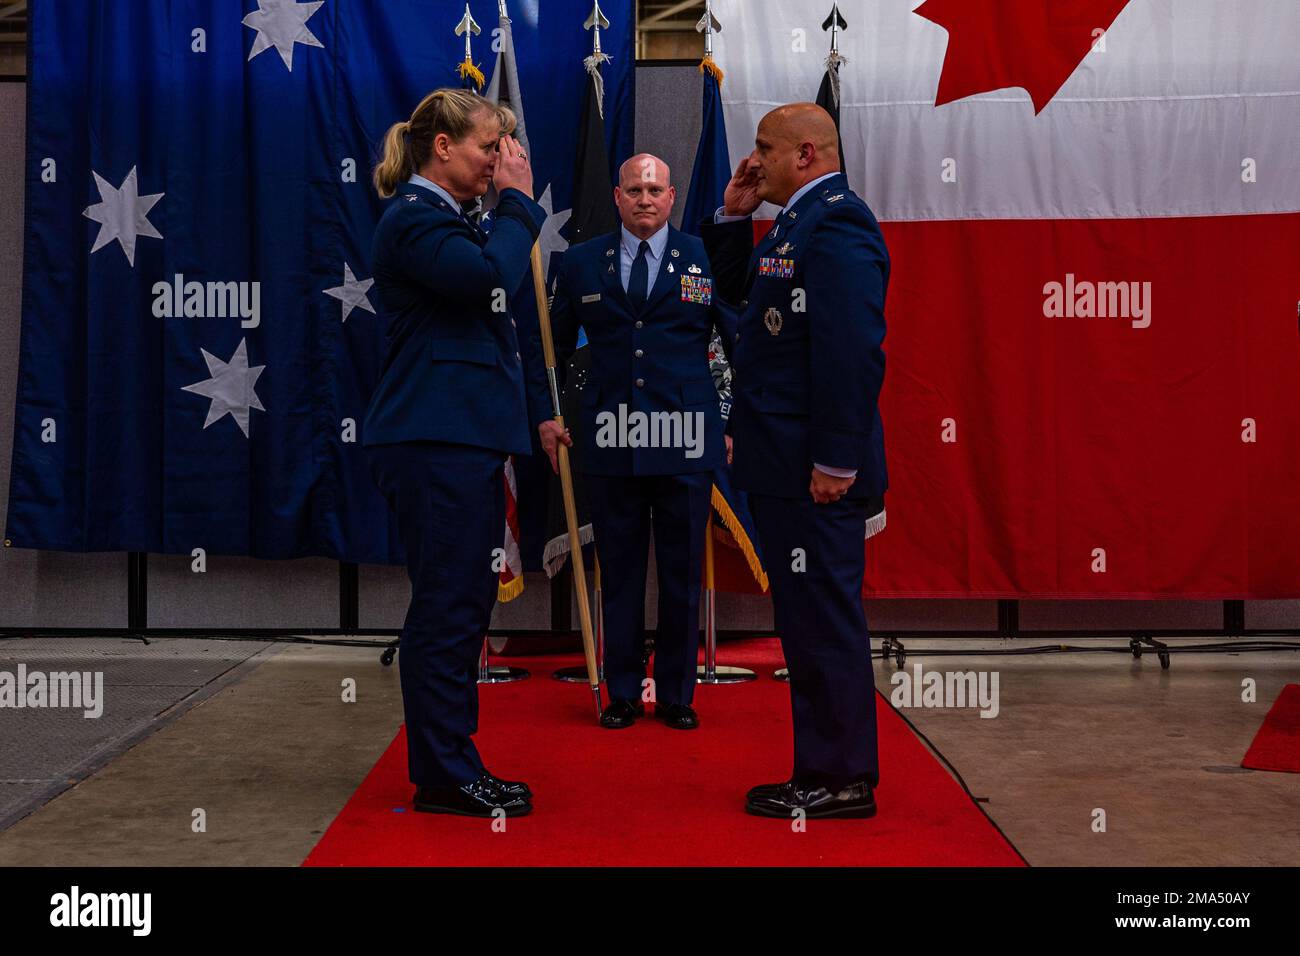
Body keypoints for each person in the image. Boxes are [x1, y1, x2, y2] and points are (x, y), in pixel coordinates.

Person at [363, 88, 550, 818]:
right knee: (447, 607)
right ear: (443, 147)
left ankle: (450, 762)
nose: (498, 161)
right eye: (487, 147)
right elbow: (488, 279)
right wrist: (518, 202)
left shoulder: (445, 220)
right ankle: (444, 774)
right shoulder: (414, 219)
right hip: (434, 441)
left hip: (458, 438)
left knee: (462, 603)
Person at [700, 102, 889, 819]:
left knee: (823, 621)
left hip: (815, 471)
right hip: (782, 464)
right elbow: (740, 305)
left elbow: (850, 352)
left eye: (763, 150)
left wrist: (839, 460)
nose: (753, 162)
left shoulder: (837, 222)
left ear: (806, 154)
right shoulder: (792, 220)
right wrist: (730, 216)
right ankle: (822, 766)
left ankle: (840, 777)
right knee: (805, 621)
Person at [531, 154, 736, 731]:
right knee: (617, 575)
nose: (644, 199)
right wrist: (551, 414)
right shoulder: (579, 262)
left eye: (655, 189)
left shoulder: (701, 255)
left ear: (671, 197)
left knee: (680, 575)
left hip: (685, 440)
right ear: (617, 198)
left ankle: (675, 693)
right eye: (633, 189)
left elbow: (734, 339)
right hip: (609, 440)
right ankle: (621, 690)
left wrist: (734, 422)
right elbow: (554, 351)